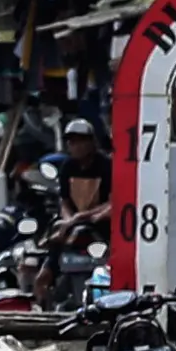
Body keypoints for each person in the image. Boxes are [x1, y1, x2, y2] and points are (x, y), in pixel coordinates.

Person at [37, 118, 113, 306]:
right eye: (71, 142)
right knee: (53, 241)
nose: (75, 146)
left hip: (99, 221)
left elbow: (113, 202)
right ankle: (45, 284)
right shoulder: (67, 167)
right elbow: (64, 201)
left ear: (91, 142)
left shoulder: (106, 165)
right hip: (74, 223)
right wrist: (69, 220)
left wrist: (82, 217)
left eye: (80, 141)